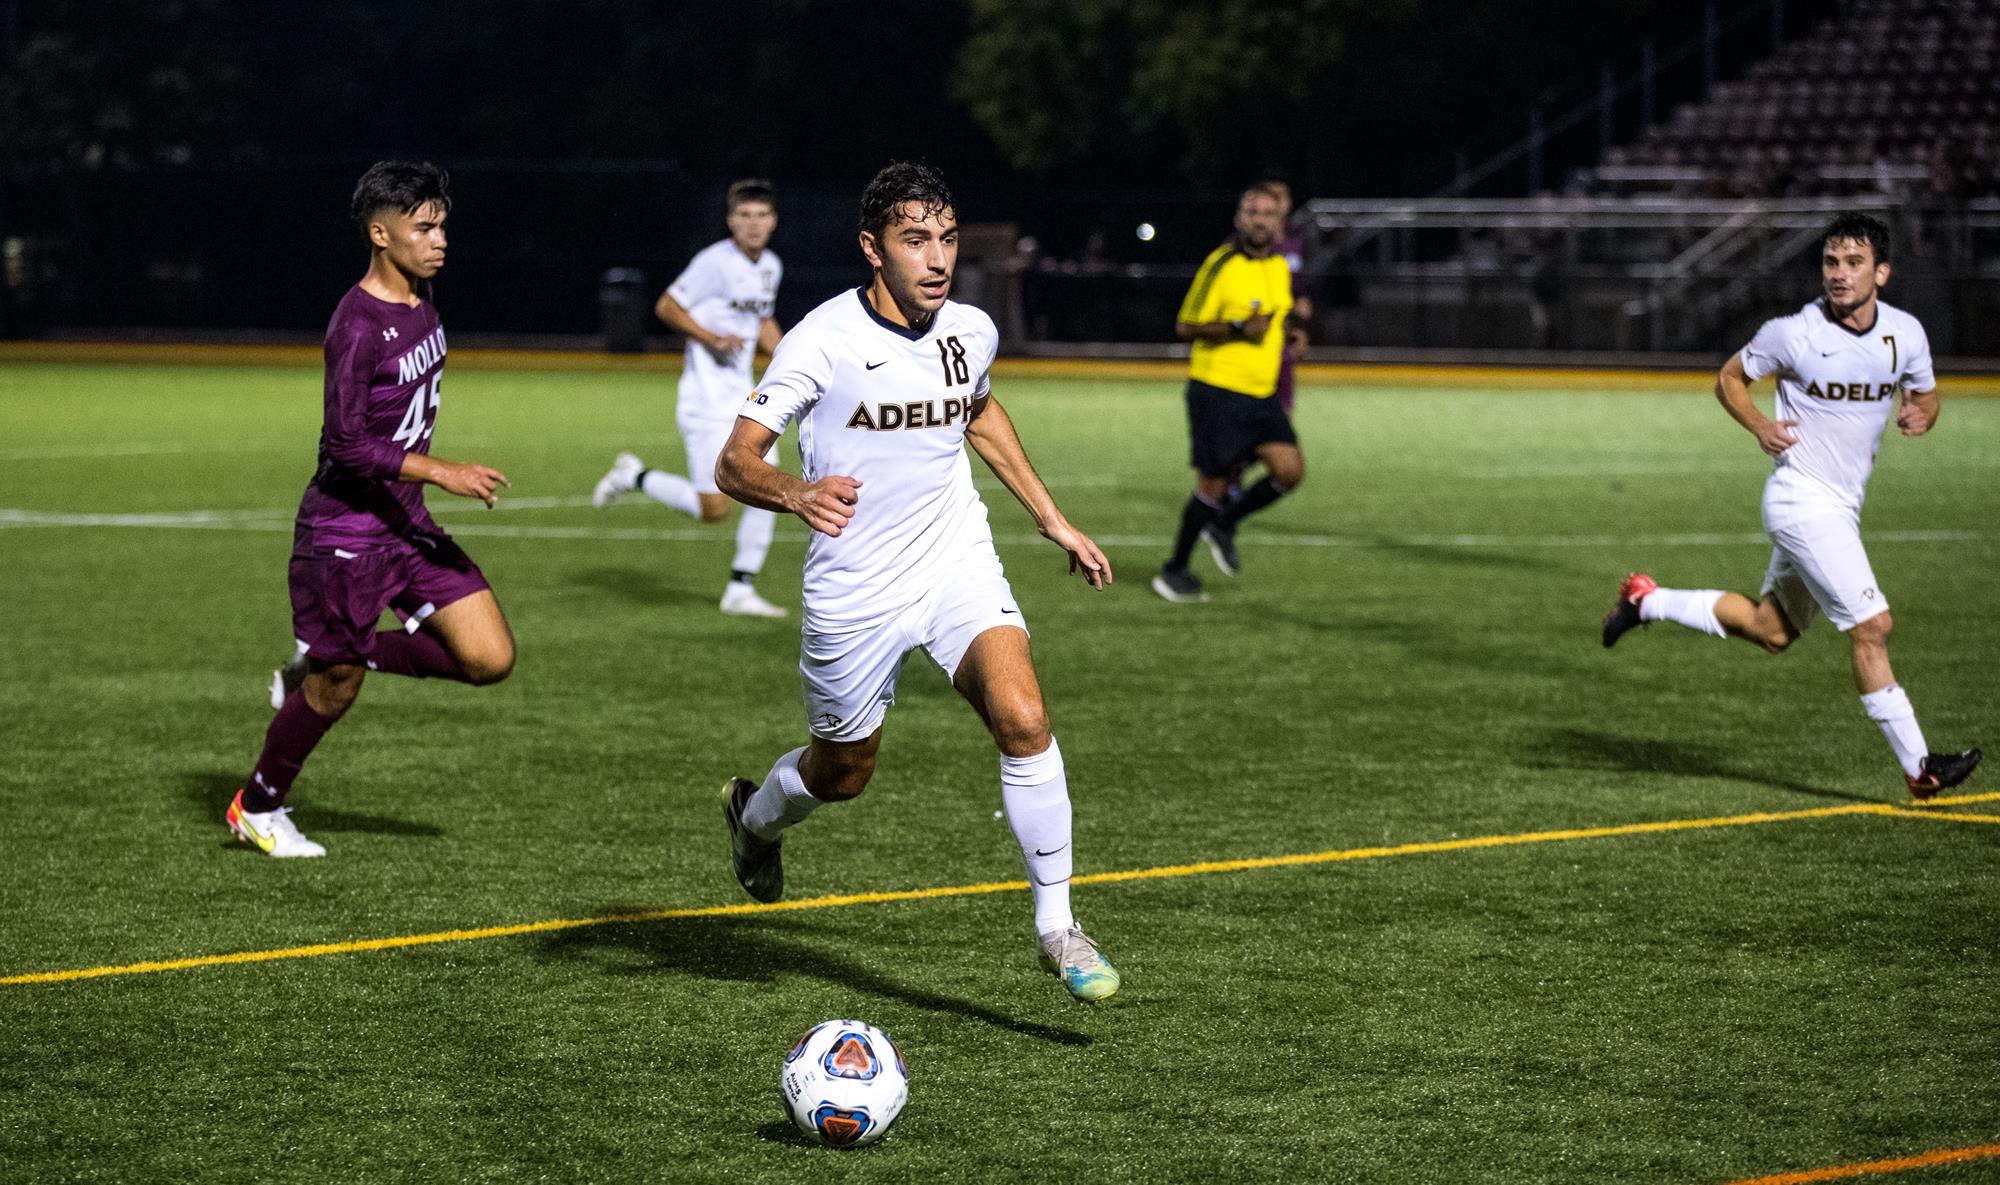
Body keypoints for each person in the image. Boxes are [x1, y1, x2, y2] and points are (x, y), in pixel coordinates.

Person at [712, 161, 1122, 1002]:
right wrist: (794, 490)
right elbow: (733, 460)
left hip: (952, 560)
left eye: (945, 238)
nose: (936, 258)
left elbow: (977, 408)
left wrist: (1051, 516)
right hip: (855, 588)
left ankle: (1058, 926)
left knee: (1024, 714)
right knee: (845, 771)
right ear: (873, 248)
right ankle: (755, 820)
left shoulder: (969, 328)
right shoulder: (822, 341)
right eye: (914, 240)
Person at [1602, 213, 1980, 800]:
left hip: (1841, 505)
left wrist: (1921, 415)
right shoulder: (1793, 332)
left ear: (1881, 272)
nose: (1838, 274)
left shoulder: (1906, 333)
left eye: (1853, 263)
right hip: (1800, 501)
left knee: (1770, 629)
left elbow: (1927, 396)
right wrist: (1758, 424)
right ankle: (1920, 768)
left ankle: (1646, 600)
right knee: (1872, 626)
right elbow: (1729, 378)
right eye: (1830, 262)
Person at [234, 161, 517, 858]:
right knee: (338, 690)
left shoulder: (422, 297)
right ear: (380, 232)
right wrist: (440, 469)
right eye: (424, 228)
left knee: (489, 658)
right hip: (344, 533)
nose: (440, 238)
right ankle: (258, 806)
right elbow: (344, 442)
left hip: (404, 524)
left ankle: (320, 660)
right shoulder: (357, 324)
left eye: (442, 225)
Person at [592, 179, 789, 618]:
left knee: (768, 487)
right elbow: (666, 306)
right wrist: (710, 338)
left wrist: (795, 362)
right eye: (744, 216)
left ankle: (741, 587)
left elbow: (763, 322)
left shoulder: (770, 265)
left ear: (773, 221)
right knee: (713, 509)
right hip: (703, 402)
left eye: (761, 216)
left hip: (743, 399)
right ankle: (634, 476)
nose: (753, 225)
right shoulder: (713, 263)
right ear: (731, 220)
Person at [1153, 183, 1306, 604]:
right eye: (1252, 212)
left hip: (1261, 394)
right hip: (1217, 391)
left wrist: (1292, 333)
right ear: (1240, 219)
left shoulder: (1278, 266)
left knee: (1290, 471)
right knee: (1213, 485)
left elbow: (1277, 315)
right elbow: (1185, 325)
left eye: (1268, 214)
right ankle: (1175, 569)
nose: (1260, 220)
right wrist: (1238, 327)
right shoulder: (1221, 264)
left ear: (1279, 223)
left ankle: (1225, 524)